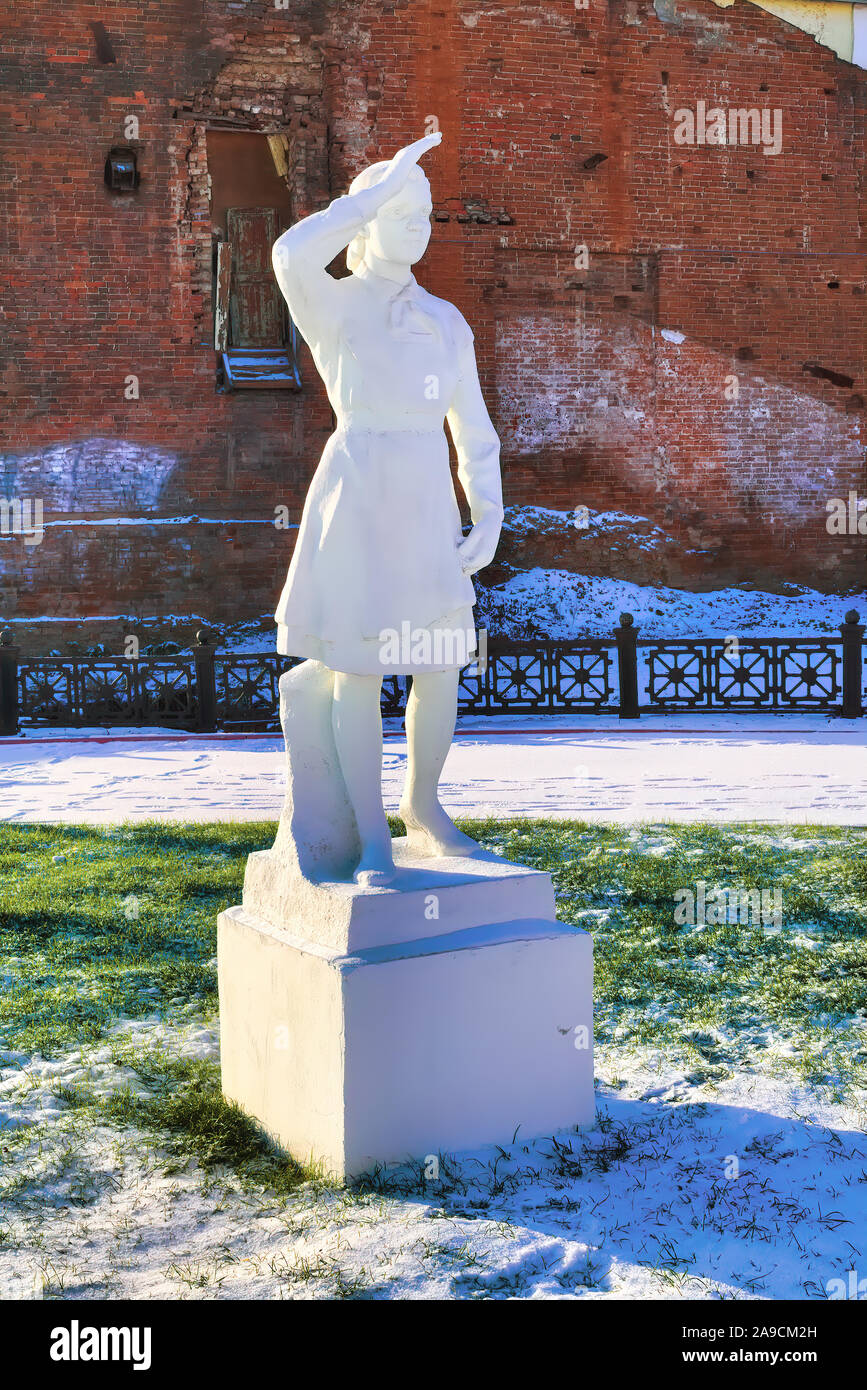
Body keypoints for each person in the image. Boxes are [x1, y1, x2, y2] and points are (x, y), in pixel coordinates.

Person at [271, 132, 503, 886]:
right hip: (361, 486)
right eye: (400, 212)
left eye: (426, 213)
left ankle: (423, 808)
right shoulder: (333, 303)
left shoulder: (444, 321)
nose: (416, 226)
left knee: (439, 662)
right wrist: (369, 193)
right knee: (358, 669)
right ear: (366, 221)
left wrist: (488, 511)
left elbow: (471, 426)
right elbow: (291, 253)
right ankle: (370, 839)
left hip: (425, 494)